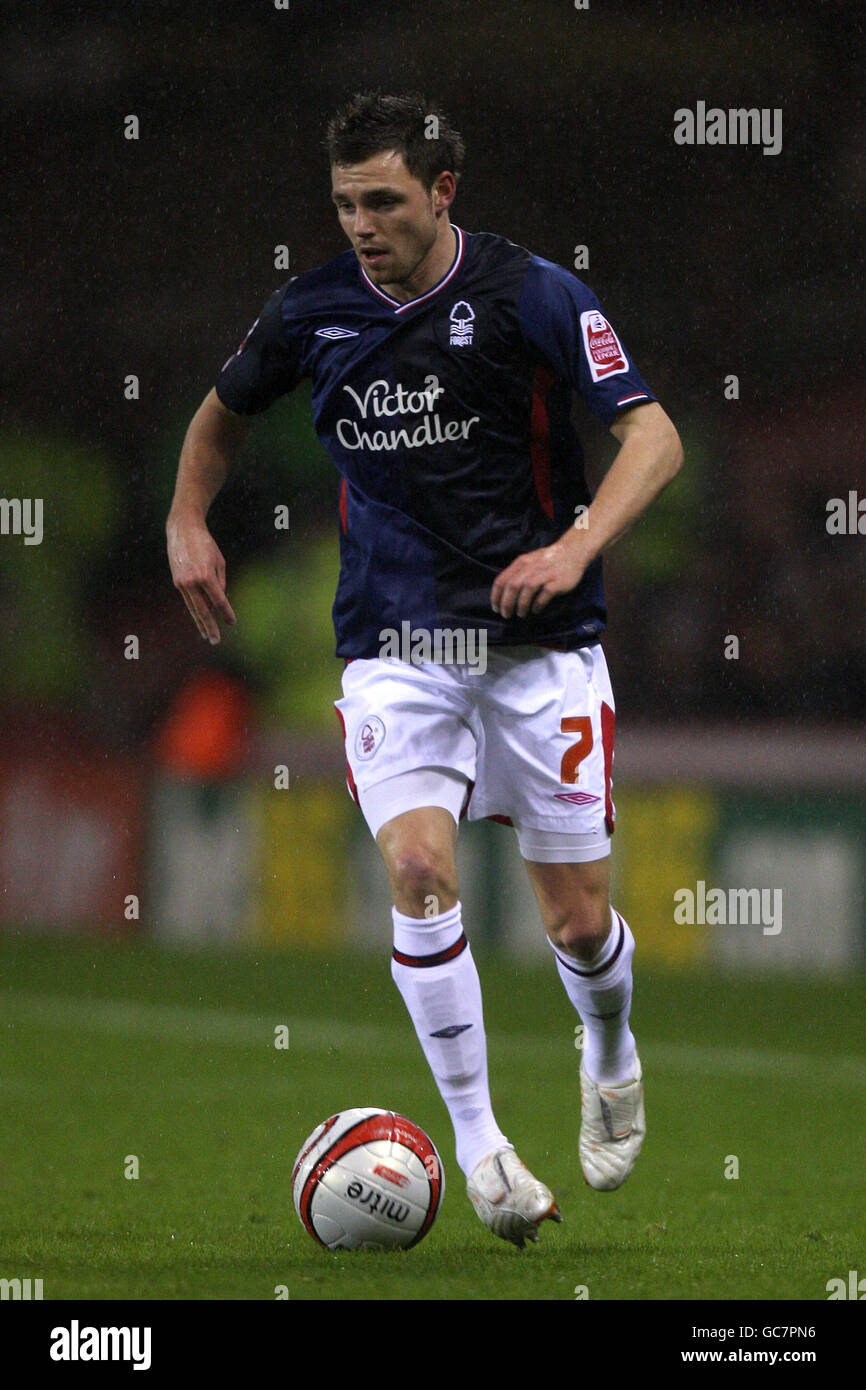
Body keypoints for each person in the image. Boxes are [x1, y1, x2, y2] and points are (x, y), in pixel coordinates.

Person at [166, 91, 683, 1249]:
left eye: (384, 200)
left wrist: (571, 546)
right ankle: (482, 1144)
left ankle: (608, 1048)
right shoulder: (309, 311)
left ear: (441, 191)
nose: (361, 223)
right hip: (397, 650)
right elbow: (219, 413)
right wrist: (187, 519)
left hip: (538, 651)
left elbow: (652, 436)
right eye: (345, 202)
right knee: (415, 868)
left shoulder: (533, 293)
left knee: (578, 918)